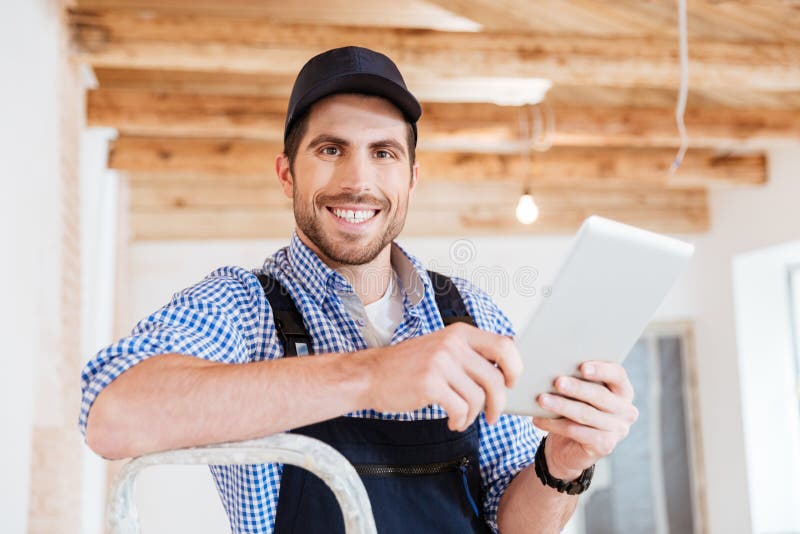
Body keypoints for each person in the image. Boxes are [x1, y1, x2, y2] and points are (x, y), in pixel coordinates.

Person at [80, 46, 638, 534]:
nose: (358, 181)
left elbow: (514, 523)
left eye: (384, 153)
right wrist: (372, 375)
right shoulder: (244, 307)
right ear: (286, 174)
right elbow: (113, 415)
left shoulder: (469, 314)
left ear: (411, 179)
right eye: (330, 149)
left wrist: (561, 464)